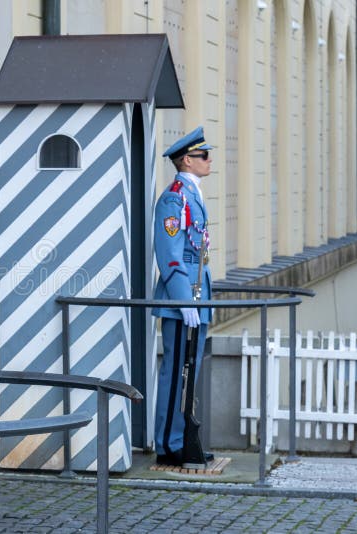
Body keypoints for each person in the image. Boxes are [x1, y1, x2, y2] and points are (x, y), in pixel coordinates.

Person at [152, 126, 213, 466]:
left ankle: (184, 439)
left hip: (197, 296)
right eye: (204, 155)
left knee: (190, 375)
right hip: (184, 300)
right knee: (176, 373)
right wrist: (181, 299)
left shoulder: (193, 194)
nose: (210, 160)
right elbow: (170, 251)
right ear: (187, 160)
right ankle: (168, 444)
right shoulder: (175, 197)